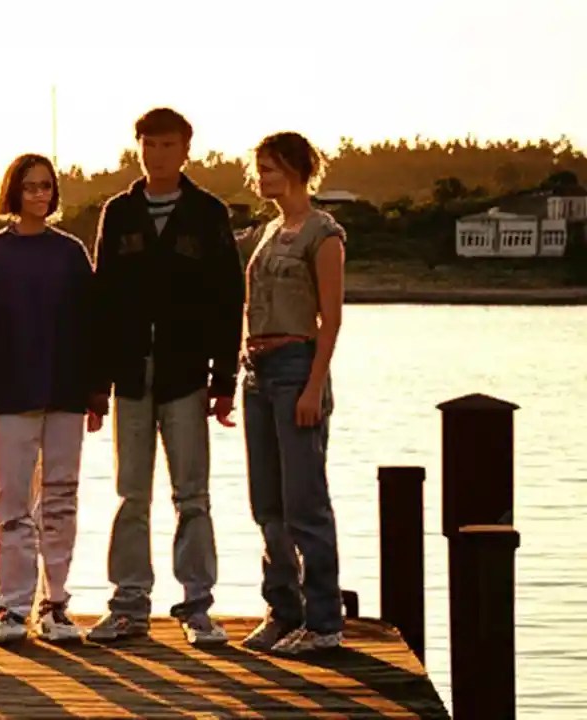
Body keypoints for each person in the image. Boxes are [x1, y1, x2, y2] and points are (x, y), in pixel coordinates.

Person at [86, 108, 244, 646]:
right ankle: (128, 604)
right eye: (148, 145)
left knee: (192, 495)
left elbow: (228, 299)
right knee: (131, 495)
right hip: (130, 375)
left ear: (185, 150)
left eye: (167, 145)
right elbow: (102, 299)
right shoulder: (119, 212)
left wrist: (225, 380)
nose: (157, 155)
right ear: (138, 148)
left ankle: (197, 606)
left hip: (187, 374)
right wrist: (96, 384)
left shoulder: (207, 213)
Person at [0, 153, 105, 645]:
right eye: (30, 187)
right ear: (13, 192)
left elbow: (91, 325)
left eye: (46, 186)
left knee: (61, 499)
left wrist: (96, 394)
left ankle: (55, 604)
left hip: (66, 394)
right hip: (11, 397)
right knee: (14, 507)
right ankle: (11, 608)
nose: (40, 195)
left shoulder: (71, 253)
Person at [238, 131, 346, 655]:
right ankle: (284, 611)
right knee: (267, 502)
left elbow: (331, 318)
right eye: (260, 168)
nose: (263, 177)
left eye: (272, 168)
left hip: (296, 367)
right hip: (256, 372)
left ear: (299, 169)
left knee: (305, 502)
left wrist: (313, 387)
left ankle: (324, 622)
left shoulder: (323, 233)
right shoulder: (266, 232)